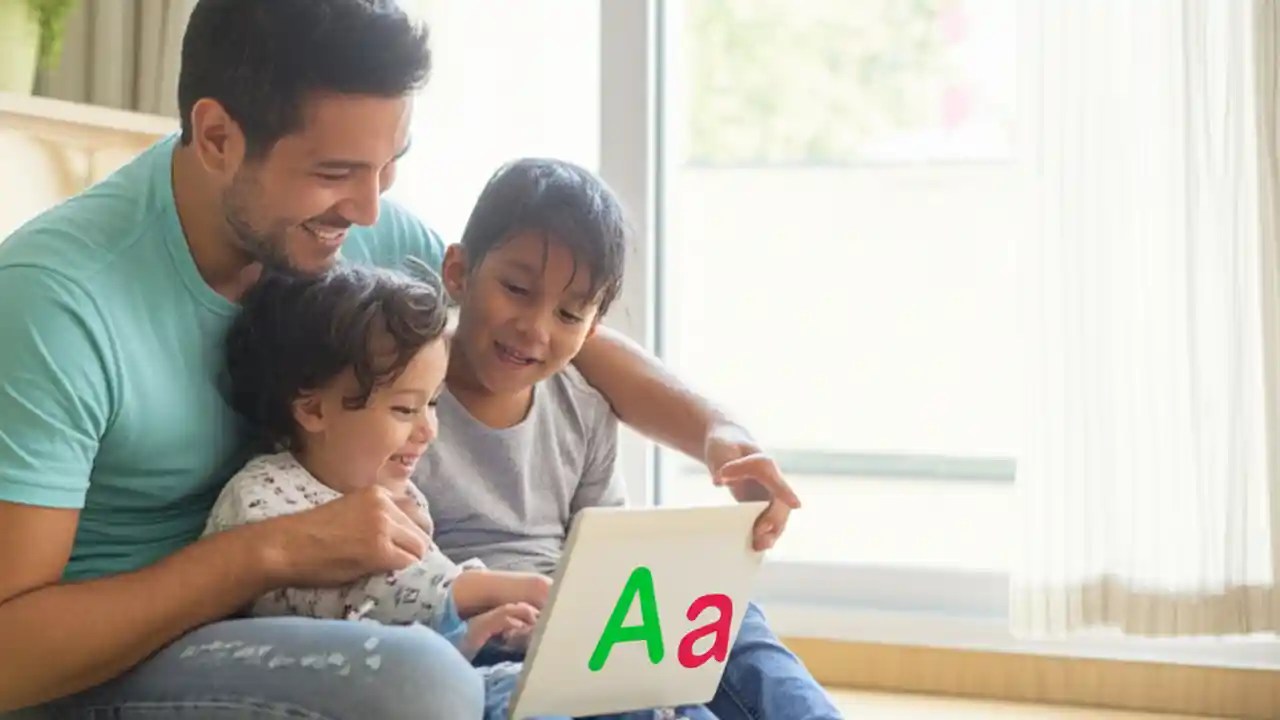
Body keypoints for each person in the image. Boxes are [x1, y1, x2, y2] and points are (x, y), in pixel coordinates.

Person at [0, 1, 798, 717]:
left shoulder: (359, 234)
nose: (370, 207)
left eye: (389, 167)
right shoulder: (57, 301)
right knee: (422, 681)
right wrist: (269, 551)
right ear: (217, 137)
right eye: (335, 173)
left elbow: (527, 329)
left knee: (688, 608)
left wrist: (715, 433)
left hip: (312, 620)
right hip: (116, 669)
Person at [420, 158, 842, 720]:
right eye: (517, 289)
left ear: (593, 327)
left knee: (734, 620)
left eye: (570, 313)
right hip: (487, 632)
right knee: (650, 707)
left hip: (586, 615)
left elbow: (605, 552)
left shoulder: (583, 406)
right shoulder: (403, 393)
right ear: (458, 274)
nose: (536, 328)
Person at [204, 262, 712, 720]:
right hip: (350, 694)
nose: (428, 431)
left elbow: (423, 630)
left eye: (434, 405)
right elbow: (321, 607)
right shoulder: (263, 493)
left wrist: (477, 630)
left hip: (449, 683)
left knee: (651, 700)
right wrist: (490, 588)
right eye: (406, 409)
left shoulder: (403, 499)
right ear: (313, 410)